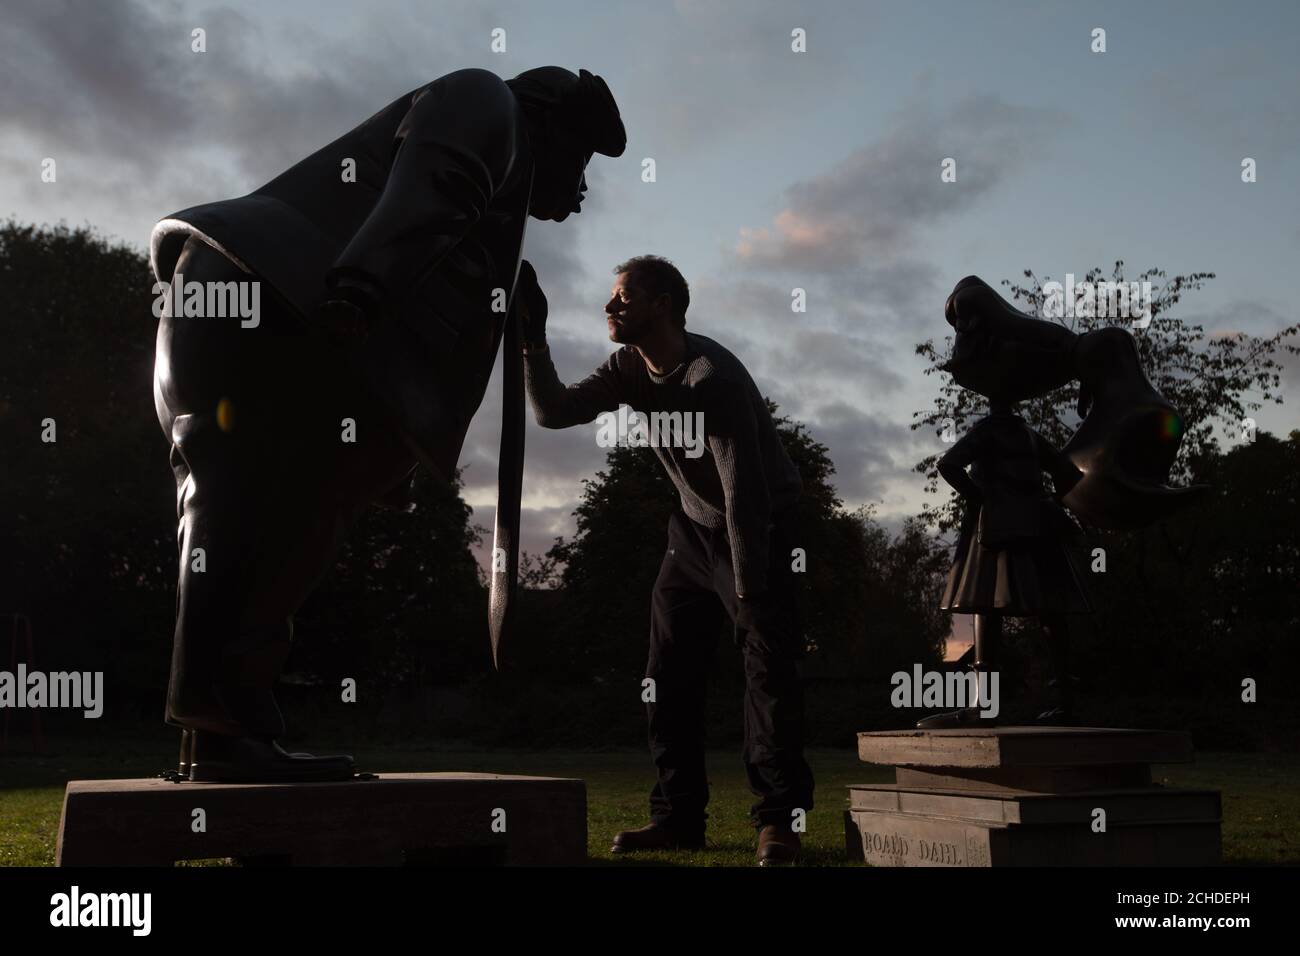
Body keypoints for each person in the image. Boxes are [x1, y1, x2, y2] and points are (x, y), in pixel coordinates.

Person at [151, 66, 626, 782]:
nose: (582, 189)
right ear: (549, 122)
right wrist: (361, 294)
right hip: (270, 302)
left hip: (278, 315)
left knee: (274, 522)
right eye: (581, 160)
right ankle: (220, 722)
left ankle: (224, 736)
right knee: (246, 513)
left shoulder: (491, 223)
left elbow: (432, 279)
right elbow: (430, 191)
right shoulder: (485, 101)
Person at [515, 255, 813, 865]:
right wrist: (531, 336)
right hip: (693, 532)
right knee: (665, 677)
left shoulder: (713, 379)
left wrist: (750, 588)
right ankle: (677, 817)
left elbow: (744, 492)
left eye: (624, 295)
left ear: (665, 305)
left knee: (767, 677)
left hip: (760, 526)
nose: (610, 305)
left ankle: (780, 822)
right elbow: (553, 412)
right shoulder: (628, 368)